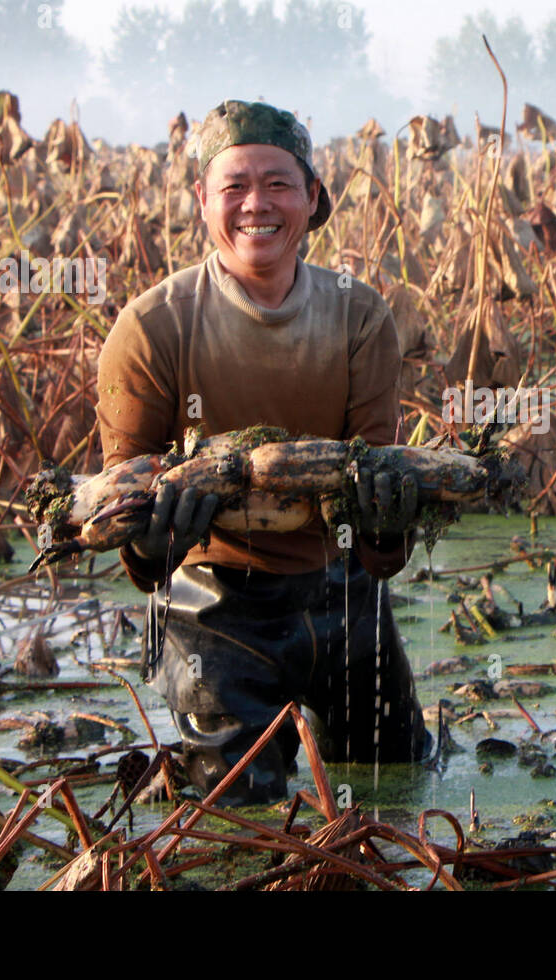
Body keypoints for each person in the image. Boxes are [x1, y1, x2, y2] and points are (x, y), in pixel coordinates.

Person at [96, 100, 432, 804]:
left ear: (313, 198)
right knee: (236, 815)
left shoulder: (359, 314)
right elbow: (131, 538)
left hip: (343, 595)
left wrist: (387, 522)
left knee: (398, 783)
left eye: (279, 184)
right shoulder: (152, 327)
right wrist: (153, 535)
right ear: (203, 201)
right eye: (236, 186)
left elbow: (380, 545)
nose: (258, 205)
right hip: (211, 608)